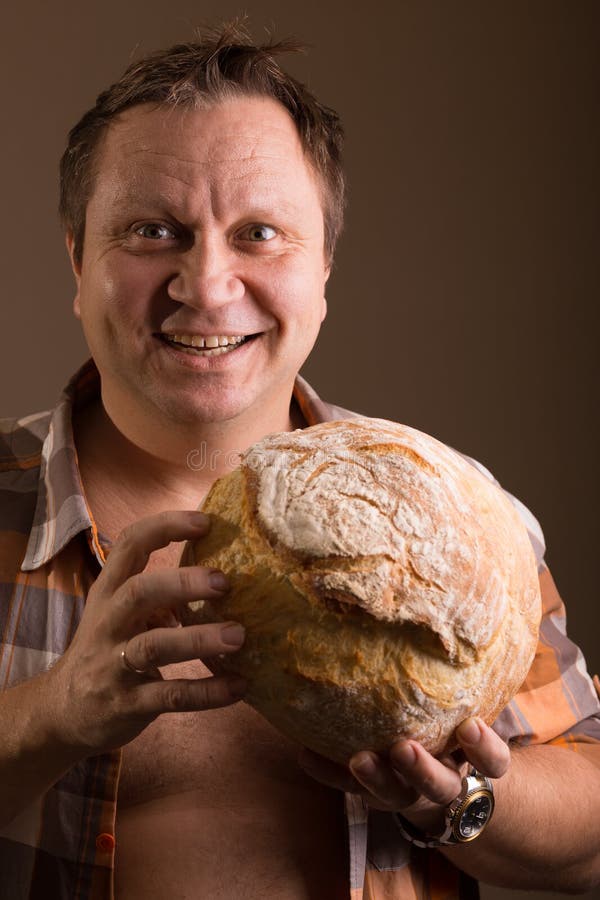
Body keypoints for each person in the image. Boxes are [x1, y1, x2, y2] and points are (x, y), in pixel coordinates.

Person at [0, 23, 599, 900]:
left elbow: (589, 840)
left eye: (260, 233)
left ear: (323, 270)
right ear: (78, 263)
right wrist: (50, 718)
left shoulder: (458, 520)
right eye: (153, 230)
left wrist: (459, 801)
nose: (207, 284)